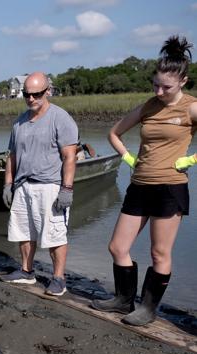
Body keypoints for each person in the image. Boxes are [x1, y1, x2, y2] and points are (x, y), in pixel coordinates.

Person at [90, 36, 196, 326]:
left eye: (166, 87)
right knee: (117, 247)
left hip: (170, 187)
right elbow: (114, 133)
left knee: (159, 252)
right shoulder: (149, 106)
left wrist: (191, 160)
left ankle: (148, 309)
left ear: (183, 81)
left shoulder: (190, 108)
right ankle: (124, 300)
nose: (160, 91)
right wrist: (128, 158)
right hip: (139, 185)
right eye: (155, 85)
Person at [0, 72, 78, 296]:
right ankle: (26, 271)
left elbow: (69, 157)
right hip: (23, 185)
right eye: (27, 94)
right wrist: (8, 184)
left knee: (55, 234)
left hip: (50, 186)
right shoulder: (20, 121)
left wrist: (67, 188)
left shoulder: (60, 118)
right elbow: (12, 156)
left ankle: (58, 278)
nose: (31, 99)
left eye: (36, 94)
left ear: (48, 92)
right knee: (23, 231)